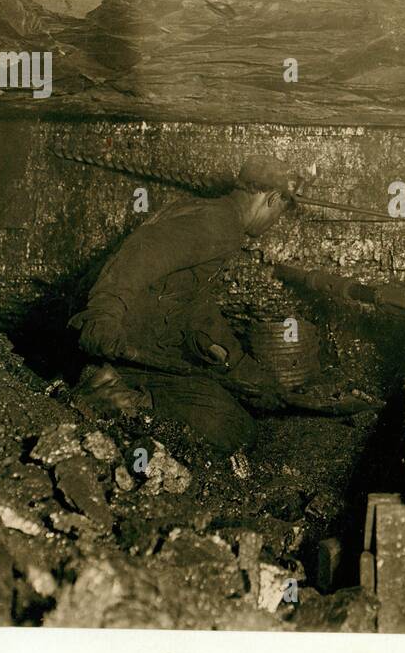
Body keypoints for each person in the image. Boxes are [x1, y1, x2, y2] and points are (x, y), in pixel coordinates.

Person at [68, 155, 302, 456]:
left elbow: (195, 308)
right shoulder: (222, 225)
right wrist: (103, 316)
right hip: (126, 351)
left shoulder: (208, 212)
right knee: (232, 429)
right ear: (272, 199)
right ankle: (117, 400)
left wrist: (242, 367)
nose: (275, 222)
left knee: (229, 413)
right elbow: (138, 255)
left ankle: (109, 385)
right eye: (281, 211)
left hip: (141, 350)